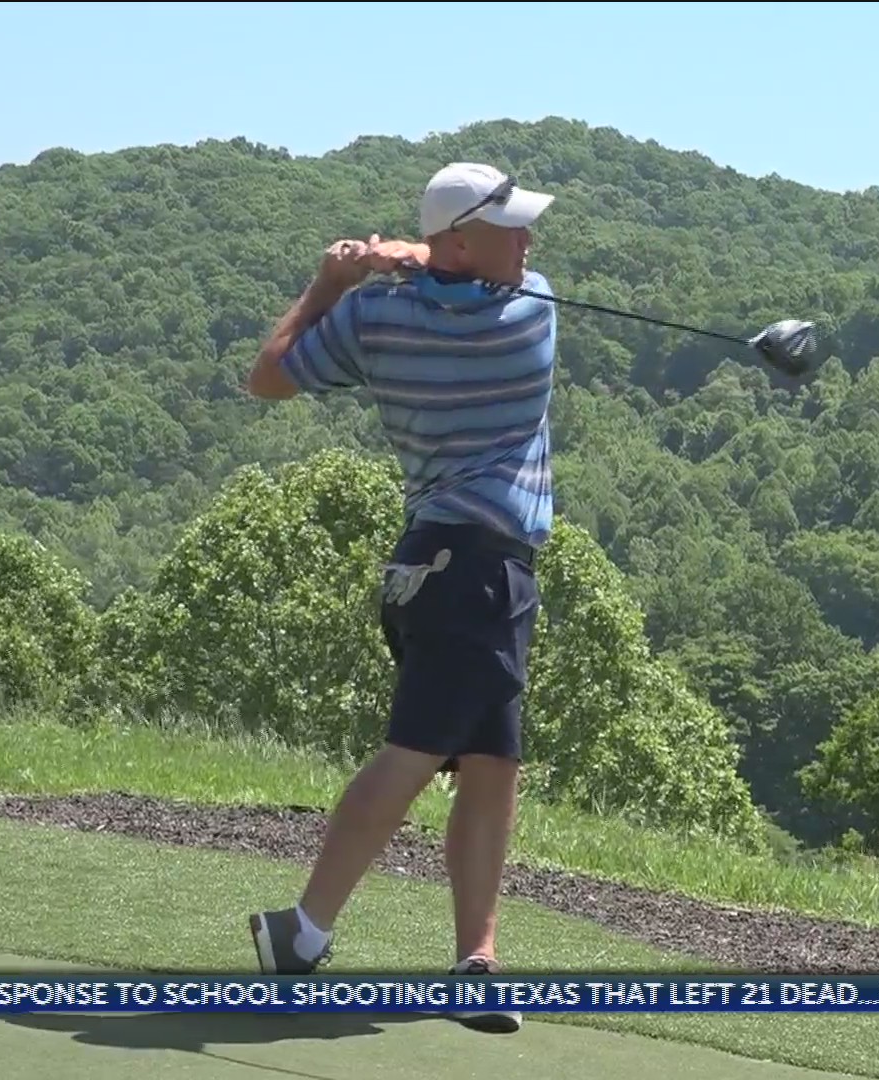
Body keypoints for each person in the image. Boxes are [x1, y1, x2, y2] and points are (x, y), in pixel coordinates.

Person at [241, 161, 560, 1036]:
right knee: (415, 754)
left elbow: (268, 376)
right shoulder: (531, 312)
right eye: (512, 227)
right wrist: (416, 254)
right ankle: (300, 934)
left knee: (493, 765)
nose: (529, 243)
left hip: (436, 563)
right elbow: (483, 269)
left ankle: (476, 960)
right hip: (482, 573)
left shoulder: (373, 316)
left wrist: (336, 278)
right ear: (464, 240)